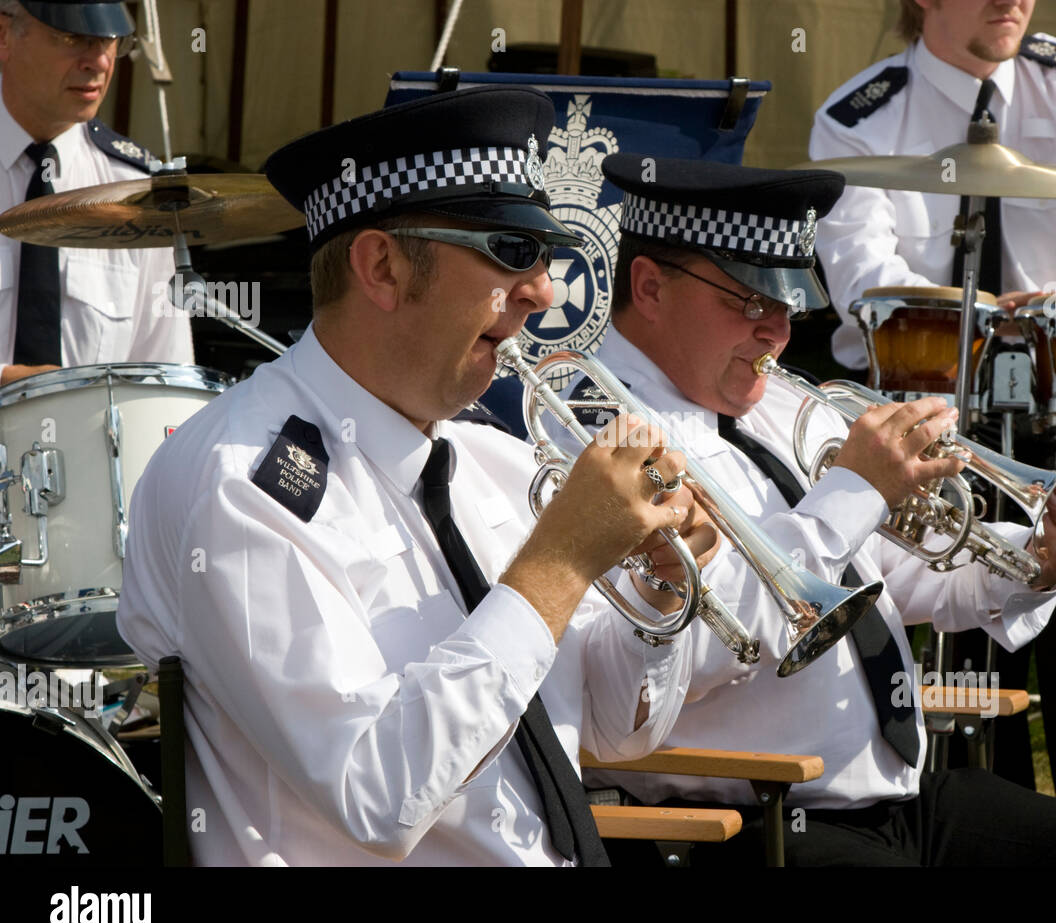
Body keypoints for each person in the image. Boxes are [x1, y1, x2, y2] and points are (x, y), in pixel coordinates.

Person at [116, 88, 723, 866]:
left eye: (544, 257)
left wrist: (659, 587)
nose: (540, 291)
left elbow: (617, 731)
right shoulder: (239, 482)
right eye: (510, 252)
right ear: (383, 266)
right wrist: (561, 562)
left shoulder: (492, 462)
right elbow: (377, 796)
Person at [576, 152, 1056, 865]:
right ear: (650, 288)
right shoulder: (601, 441)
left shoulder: (779, 405)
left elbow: (901, 575)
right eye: (748, 303)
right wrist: (850, 497)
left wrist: (1033, 560)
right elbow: (687, 653)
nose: (776, 333)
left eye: (786, 305)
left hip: (905, 803)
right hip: (753, 824)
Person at [809, 0, 1056, 370]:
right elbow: (860, 282)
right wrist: (989, 316)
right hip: (900, 379)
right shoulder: (854, 121)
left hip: (1043, 380)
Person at [0, 0, 191, 385]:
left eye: (109, 42)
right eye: (72, 38)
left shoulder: (136, 194)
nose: (99, 63)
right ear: (3, 35)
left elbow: (165, 377)